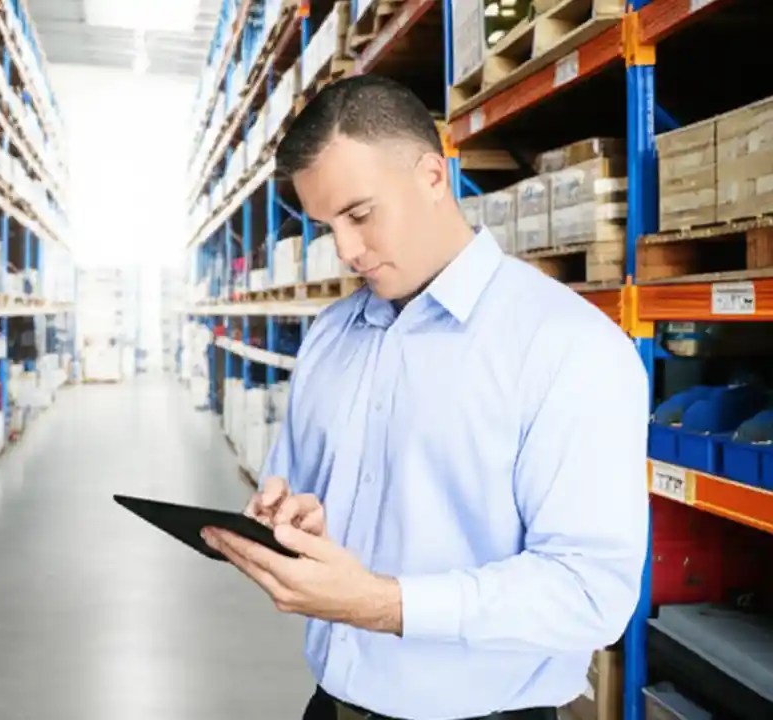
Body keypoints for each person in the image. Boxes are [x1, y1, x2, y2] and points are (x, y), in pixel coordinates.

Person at [199, 74, 649, 720]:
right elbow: (299, 483)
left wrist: (385, 603)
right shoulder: (333, 334)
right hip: (332, 704)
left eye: (360, 214)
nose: (347, 251)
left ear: (434, 177)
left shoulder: (565, 346)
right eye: (328, 226)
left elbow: (591, 592)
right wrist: (295, 516)